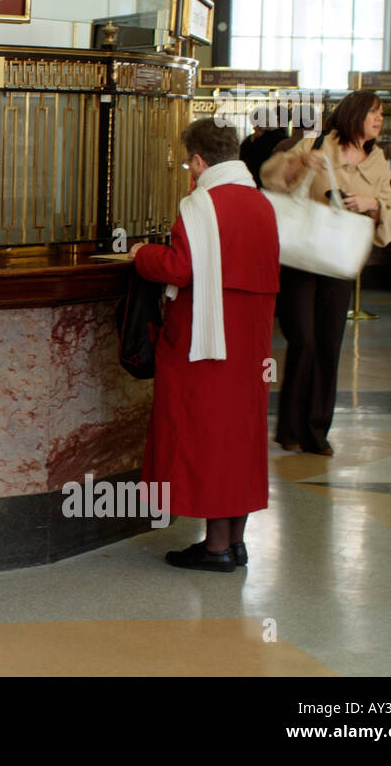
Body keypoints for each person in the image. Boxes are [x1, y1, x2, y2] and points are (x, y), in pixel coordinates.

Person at [128, 118, 281, 572]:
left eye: (187, 162)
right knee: (241, 436)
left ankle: (215, 549)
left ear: (199, 160)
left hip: (204, 341)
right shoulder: (261, 203)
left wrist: (142, 254)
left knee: (210, 436)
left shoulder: (202, 204)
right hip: (251, 341)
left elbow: (179, 269)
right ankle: (235, 542)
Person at [261, 91, 391, 456]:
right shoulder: (319, 143)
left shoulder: (378, 162)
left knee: (328, 344)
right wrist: (300, 164)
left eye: (382, 115)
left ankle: (316, 430)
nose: (379, 120)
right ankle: (290, 427)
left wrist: (373, 205)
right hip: (303, 256)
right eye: (374, 113)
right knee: (304, 339)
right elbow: (272, 177)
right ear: (354, 114)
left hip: (340, 261)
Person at [239, 103, 289, 189]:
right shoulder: (283, 138)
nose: (254, 127)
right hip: (276, 185)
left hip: (253, 184)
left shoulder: (251, 142)